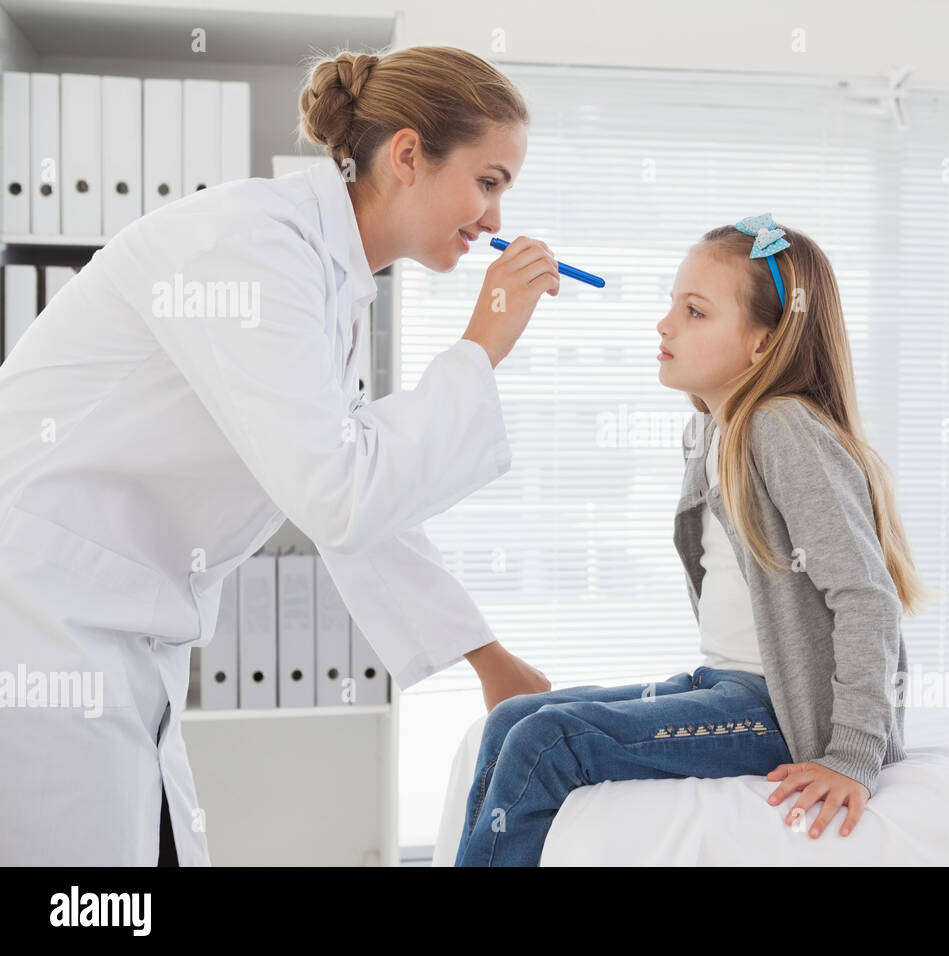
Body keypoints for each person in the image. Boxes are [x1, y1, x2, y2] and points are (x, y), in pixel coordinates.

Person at [0, 45, 556, 866]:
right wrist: (479, 348)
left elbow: (351, 491)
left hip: (113, 628)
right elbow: (337, 492)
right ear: (408, 155)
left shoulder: (326, 281)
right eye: (488, 181)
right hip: (41, 616)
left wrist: (489, 660)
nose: (496, 219)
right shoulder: (254, 246)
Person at [454, 214, 931, 866]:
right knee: (516, 717)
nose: (665, 324)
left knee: (549, 740)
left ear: (763, 344)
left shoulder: (781, 428)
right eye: (672, 305)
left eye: (696, 311)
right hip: (726, 685)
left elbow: (866, 596)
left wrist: (851, 755)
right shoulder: (713, 432)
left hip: (783, 712)